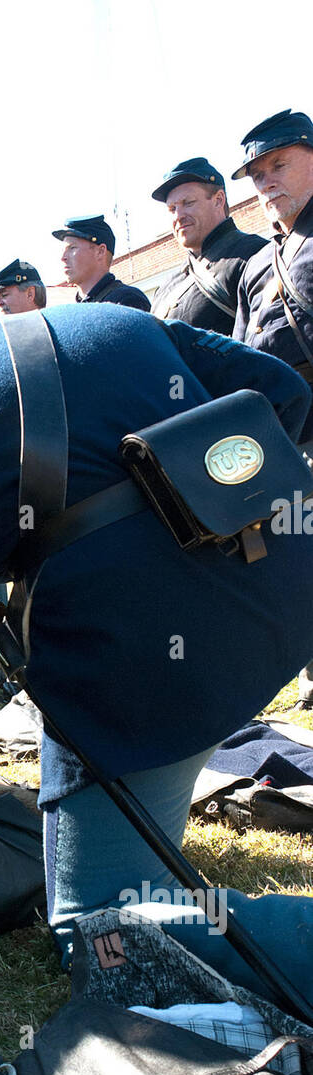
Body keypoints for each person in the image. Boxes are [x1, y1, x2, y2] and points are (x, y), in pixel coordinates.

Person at [0, 308, 313, 990]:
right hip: (281, 597)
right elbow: (283, 387)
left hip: (147, 668)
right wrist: (219, 503)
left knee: (103, 929)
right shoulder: (111, 319)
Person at [233, 108, 313, 707]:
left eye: (279, 165)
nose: (267, 183)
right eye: (258, 174)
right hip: (283, 437)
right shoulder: (259, 263)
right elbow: (236, 357)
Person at [150, 157, 266, 330]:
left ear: (218, 200)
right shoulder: (168, 285)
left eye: (188, 203)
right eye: (172, 209)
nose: (178, 216)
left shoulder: (256, 254)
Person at [53, 215, 150, 309]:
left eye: (72, 248)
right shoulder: (72, 312)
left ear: (100, 251)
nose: (63, 257)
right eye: (64, 250)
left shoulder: (127, 301)